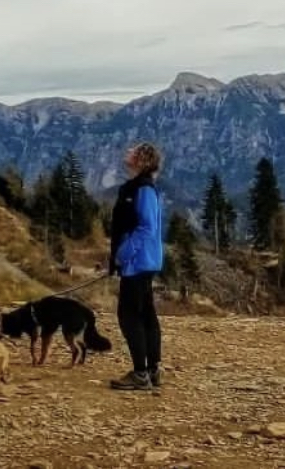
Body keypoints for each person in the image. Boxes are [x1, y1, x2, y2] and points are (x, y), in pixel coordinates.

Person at [108, 142, 164, 391]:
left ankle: (141, 373)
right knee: (146, 314)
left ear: (141, 160)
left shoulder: (142, 189)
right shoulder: (142, 187)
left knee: (130, 315)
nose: (126, 152)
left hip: (138, 262)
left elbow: (146, 227)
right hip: (145, 260)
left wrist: (123, 253)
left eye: (132, 151)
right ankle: (152, 370)